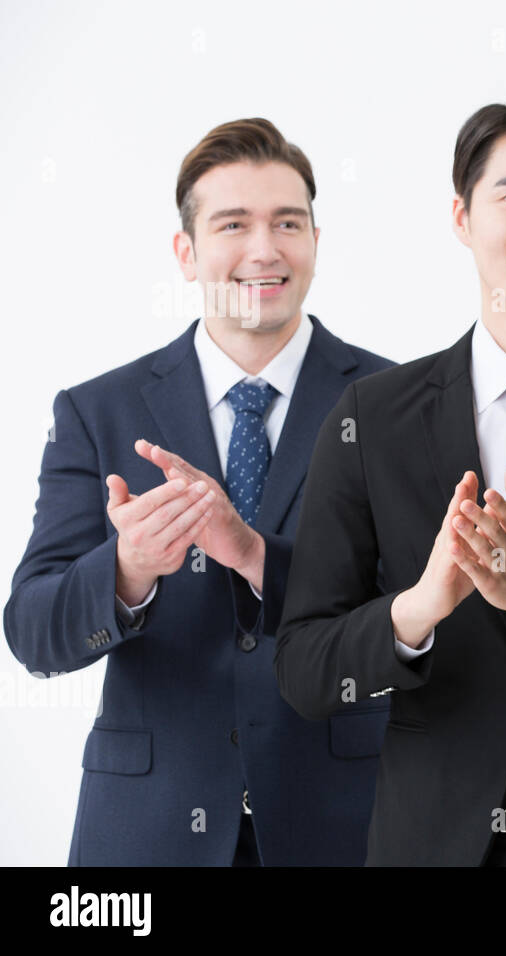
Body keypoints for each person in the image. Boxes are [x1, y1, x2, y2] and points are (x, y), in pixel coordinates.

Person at [3, 118, 394, 865]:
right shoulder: (97, 410)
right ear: (185, 253)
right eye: (232, 224)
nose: (264, 248)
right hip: (147, 832)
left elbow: (418, 610)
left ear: (316, 240)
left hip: (344, 822)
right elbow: (31, 632)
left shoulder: (394, 400)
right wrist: (126, 572)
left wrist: (255, 556)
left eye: (288, 222)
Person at [275, 88, 506, 866]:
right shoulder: (374, 417)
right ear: (463, 218)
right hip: (435, 839)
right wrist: (418, 609)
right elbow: (304, 668)